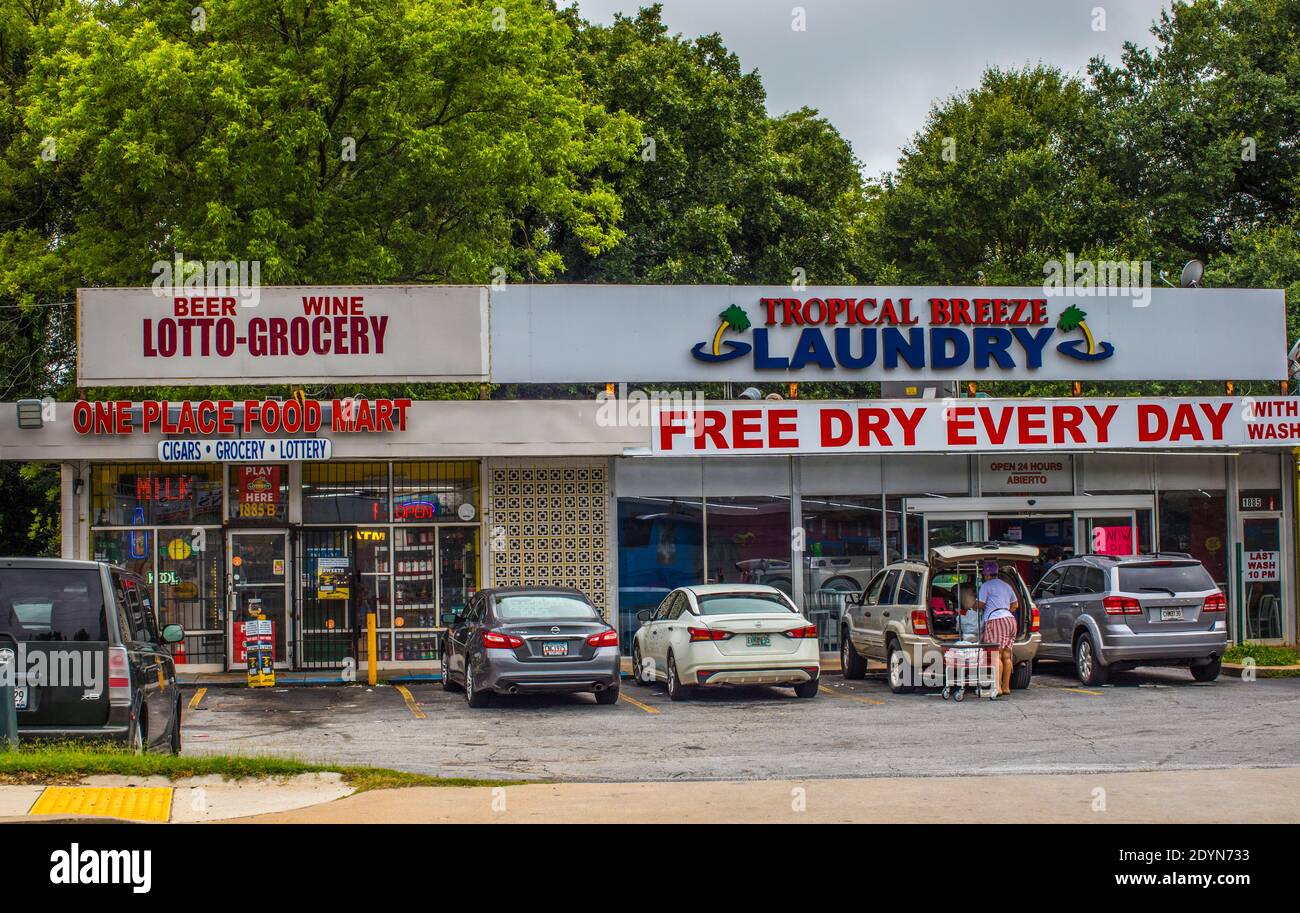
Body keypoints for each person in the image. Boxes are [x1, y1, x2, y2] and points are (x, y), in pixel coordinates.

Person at [976, 560, 1019, 697]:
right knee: (1007, 655)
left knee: (997, 654)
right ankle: (1006, 687)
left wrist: (972, 605)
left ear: (987, 575)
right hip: (1010, 620)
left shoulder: (986, 586)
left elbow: (981, 604)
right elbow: (1015, 605)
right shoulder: (1006, 585)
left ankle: (998, 688)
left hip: (996, 620)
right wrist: (1006, 611)